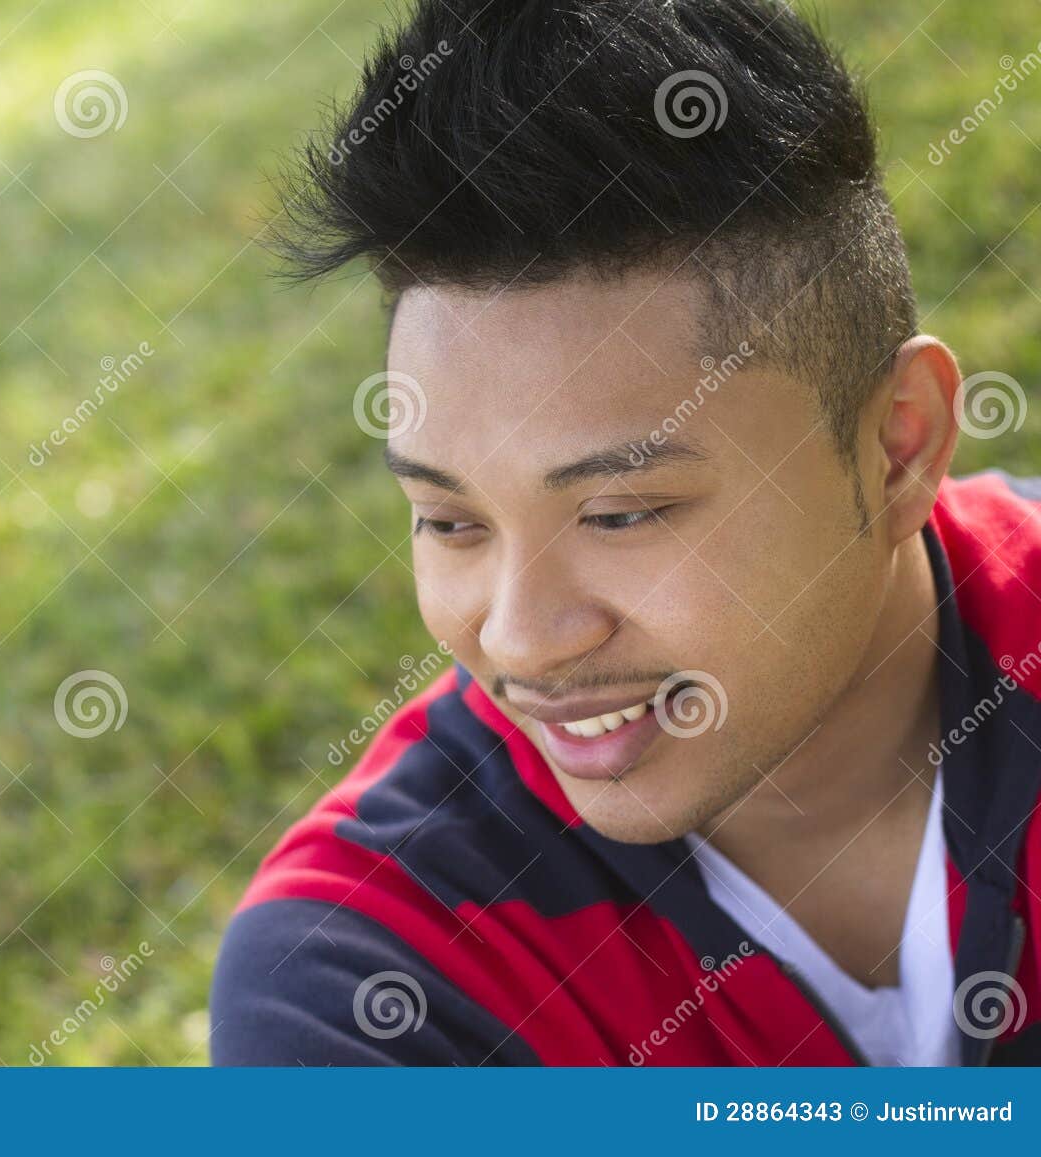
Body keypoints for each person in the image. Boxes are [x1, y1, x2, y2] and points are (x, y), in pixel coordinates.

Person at [209, 0, 1040, 1066]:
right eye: (448, 521)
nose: (520, 637)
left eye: (619, 513)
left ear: (897, 446)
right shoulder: (371, 973)